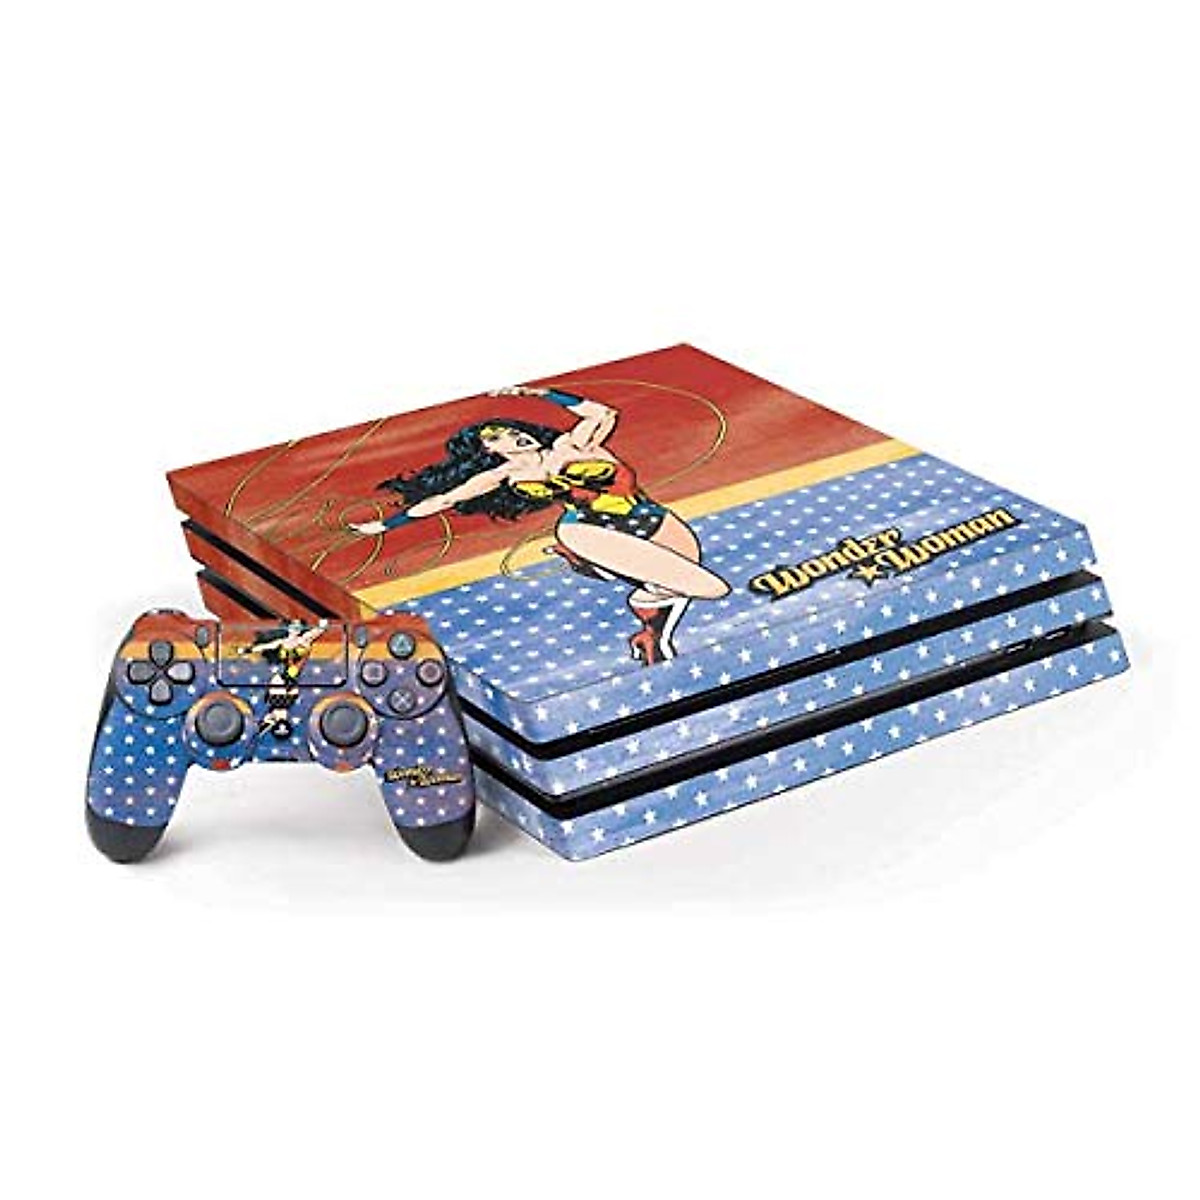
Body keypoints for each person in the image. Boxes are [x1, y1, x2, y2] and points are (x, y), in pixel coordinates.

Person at [350, 387, 728, 665]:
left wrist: (543, 394)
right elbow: (444, 500)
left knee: (670, 585)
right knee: (704, 586)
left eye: (509, 428)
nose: (511, 435)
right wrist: (385, 525)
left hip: (650, 518)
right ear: (488, 451)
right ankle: (588, 561)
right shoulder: (504, 475)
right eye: (495, 437)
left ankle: (645, 630)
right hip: (589, 530)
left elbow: (604, 414)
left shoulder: (572, 445)